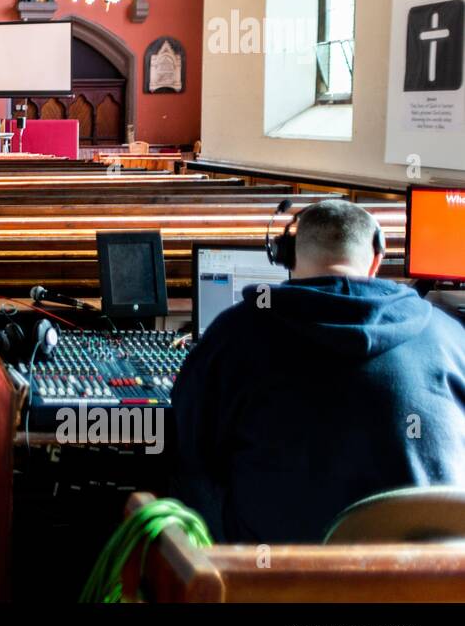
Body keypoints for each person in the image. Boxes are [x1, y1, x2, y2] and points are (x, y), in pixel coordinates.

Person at [172, 198, 465, 544]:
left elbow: (187, 446)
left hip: (278, 581)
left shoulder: (235, 336)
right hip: (427, 584)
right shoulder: (450, 337)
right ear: (377, 258)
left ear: (287, 257)